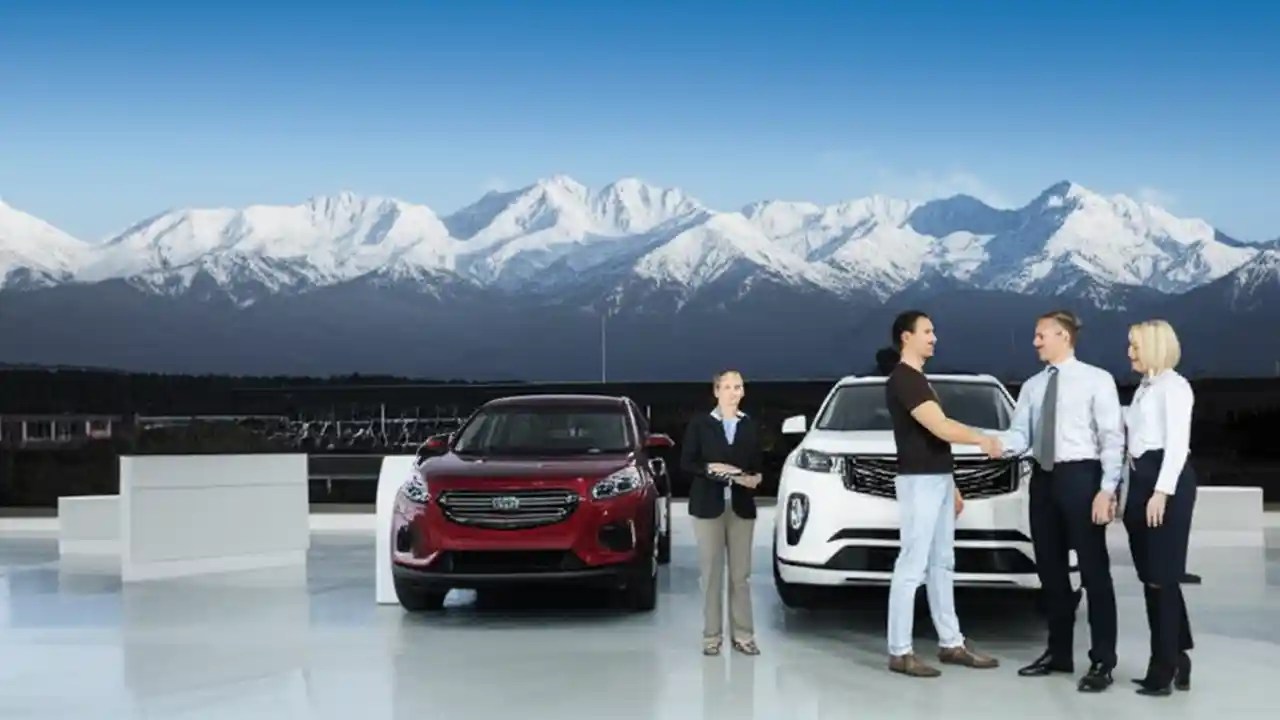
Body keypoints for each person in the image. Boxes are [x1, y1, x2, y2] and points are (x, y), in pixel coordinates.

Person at [996, 309, 1125, 692]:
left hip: (1082, 478)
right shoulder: (1033, 386)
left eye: (1041, 335)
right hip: (1044, 480)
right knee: (1050, 571)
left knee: (1094, 571)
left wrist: (1107, 488)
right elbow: (1021, 436)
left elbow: (1111, 438)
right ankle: (1059, 653)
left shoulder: (1096, 380)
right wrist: (991, 443)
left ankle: (1102, 660)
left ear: (1063, 336)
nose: (1035, 342)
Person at [883, 310, 1000, 677]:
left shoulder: (919, 379)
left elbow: (933, 440)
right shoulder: (904, 379)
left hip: (937, 480)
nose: (934, 338)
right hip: (919, 481)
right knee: (912, 565)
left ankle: (951, 643)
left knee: (942, 562)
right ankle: (899, 651)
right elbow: (940, 427)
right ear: (907, 337)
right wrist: (983, 438)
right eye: (928, 331)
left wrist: (952, 484)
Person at [1123, 319, 1197, 696]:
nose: (1129, 352)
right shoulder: (1144, 389)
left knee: (1161, 577)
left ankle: (1164, 666)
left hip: (1163, 485)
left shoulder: (1175, 387)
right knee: (1154, 574)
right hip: (1141, 484)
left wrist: (1161, 492)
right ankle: (1179, 656)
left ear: (1153, 346)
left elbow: (1177, 445)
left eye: (1135, 346)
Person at [680, 369, 764, 656]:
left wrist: (754, 478)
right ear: (716, 391)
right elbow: (687, 462)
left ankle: (743, 635)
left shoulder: (749, 425)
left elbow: (757, 464)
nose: (732, 392)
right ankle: (711, 636)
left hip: (741, 508)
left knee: (741, 576)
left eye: (737, 387)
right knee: (712, 574)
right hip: (708, 507)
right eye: (726, 387)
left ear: (743, 392)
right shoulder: (700, 425)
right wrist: (713, 470)